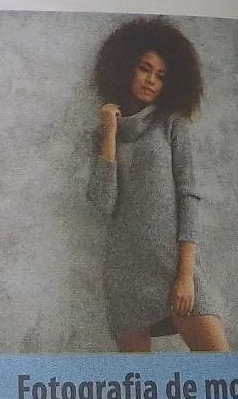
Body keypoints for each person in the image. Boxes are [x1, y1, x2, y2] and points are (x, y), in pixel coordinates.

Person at [86, 19, 229, 352]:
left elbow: (188, 197)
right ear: (125, 68)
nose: (151, 80)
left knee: (222, 367)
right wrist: (109, 134)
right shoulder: (103, 135)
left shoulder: (171, 125)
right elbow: (103, 203)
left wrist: (185, 275)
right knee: (139, 389)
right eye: (144, 69)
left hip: (172, 263)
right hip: (124, 272)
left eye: (161, 75)